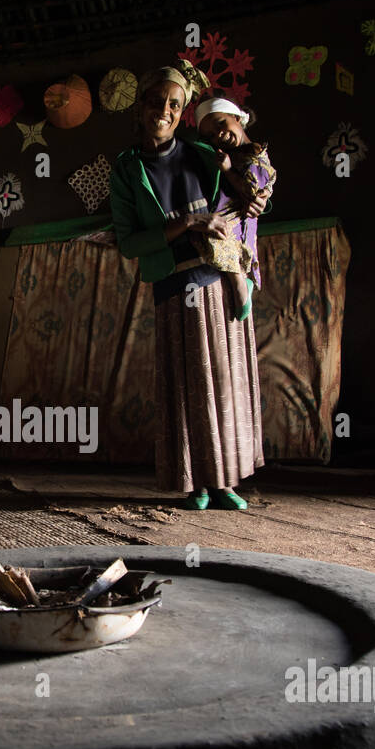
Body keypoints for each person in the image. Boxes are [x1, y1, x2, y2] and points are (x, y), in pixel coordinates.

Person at [109, 62, 267, 510]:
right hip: (175, 284)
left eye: (175, 104)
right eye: (157, 101)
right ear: (141, 106)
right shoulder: (126, 170)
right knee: (188, 384)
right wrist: (189, 222)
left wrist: (253, 195)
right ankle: (196, 482)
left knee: (225, 380)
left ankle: (226, 482)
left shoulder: (200, 151)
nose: (165, 110)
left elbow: (244, 190)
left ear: (182, 113)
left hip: (220, 276)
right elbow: (129, 242)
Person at [194, 97, 277, 298]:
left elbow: (251, 193)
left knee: (221, 241)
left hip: (236, 220)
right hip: (227, 215)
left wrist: (229, 170)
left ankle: (241, 283)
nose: (219, 134)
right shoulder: (229, 155)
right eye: (211, 135)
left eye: (221, 123)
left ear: (237, 118)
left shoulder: (253, 155)